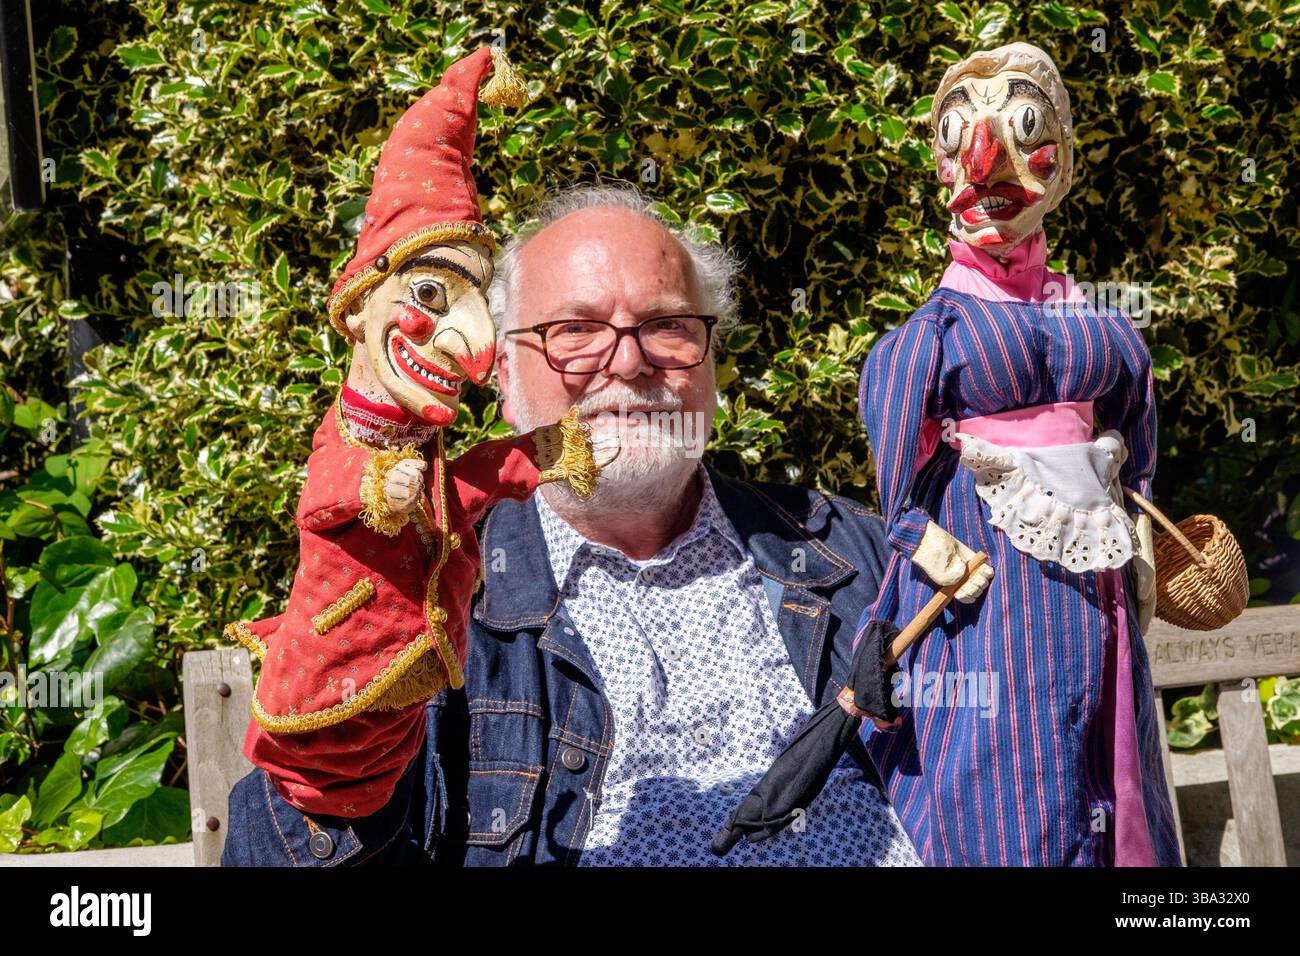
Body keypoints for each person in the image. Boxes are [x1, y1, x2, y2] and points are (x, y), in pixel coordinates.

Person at [222, 183, 921, 866]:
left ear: (711, 363)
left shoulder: (856, 552)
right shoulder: (429, 597)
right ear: (502, 374)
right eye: (576, 331)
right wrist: (331, 759)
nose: (629, 362)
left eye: (667, 326)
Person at [855, 42, 1181, 866]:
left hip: (1096, 587)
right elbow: (897, 489)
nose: (985, 160)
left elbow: (1136, 437)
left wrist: (1143, 532)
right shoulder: (927, 338)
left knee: (1107, 749)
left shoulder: (1102, 324)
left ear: (1062, 158)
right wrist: (922, 539)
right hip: (987, 593)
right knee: (1007, 774)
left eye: (1024, 128)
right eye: (959, 138)